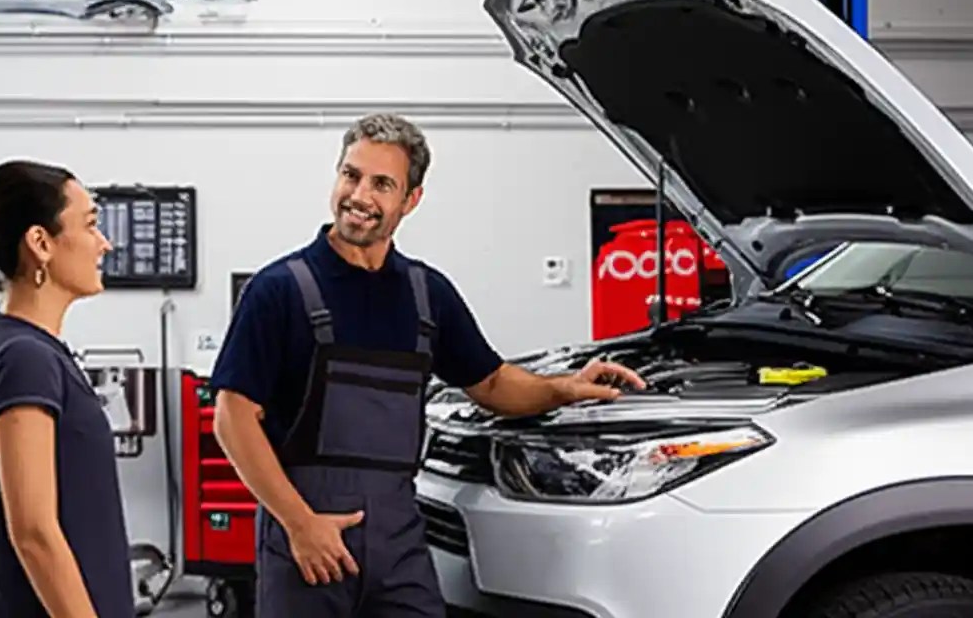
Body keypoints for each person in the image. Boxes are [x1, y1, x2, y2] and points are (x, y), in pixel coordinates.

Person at [210, 114, 646, 617]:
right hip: (309, 541)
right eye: (351, 175)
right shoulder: (279, 289)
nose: (360, 195)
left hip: (399, 542)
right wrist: (300, 524)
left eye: (382, 184)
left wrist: (565, 388)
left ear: (410, 200)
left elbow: (492, 382)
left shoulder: (425, 294)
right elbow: (233, 417)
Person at [0, 159, 133, 618]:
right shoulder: (24, 359)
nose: (103, 244)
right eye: (91, 225)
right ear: (41, 243)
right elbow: (33, 532)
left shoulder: (24, 350)